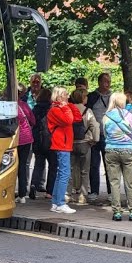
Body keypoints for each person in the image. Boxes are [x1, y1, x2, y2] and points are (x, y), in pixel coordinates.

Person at [101, 92, 132, 221]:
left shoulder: (106, 116)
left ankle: (117, 212)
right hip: (128, 150)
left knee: (114, 182)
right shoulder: (129, 115)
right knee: (130, 181)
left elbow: (105, 134)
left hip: (111, 150)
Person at [46, 86, 77, 214]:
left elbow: (76, 116)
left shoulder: (59, 109)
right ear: (59, 96)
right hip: (61, 144)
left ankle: (55, 202)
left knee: (61, 174)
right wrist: (65, 107)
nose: (68, 96)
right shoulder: (56, 110)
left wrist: (68, 105)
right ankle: (60, 203)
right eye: (65, 94)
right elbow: (69, 120)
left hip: (63, 144)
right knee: (64, 174)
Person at [87, 73, 113, 200]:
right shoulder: (92, 96)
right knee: (94, 164)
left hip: (108, 135)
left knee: (109, 164)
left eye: (109, 81)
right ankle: (94, 191)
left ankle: (111, 191)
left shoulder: (113, 97)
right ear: (99, 82)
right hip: (94, 135)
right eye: (105, 81)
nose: (107, 84)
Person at [70, 90, 97, 205]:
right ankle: (82, 195)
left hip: (70, 143)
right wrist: (94, 140)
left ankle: (67, 194)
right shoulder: (88, 111)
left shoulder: (69, 109)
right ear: (83, 98)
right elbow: (94, 126)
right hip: (84, 143)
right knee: (85, 170)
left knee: (70, 169)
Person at [16, 93, 37, 204]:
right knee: (23, 165)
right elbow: (33, 120)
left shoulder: (6, 105)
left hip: (13, 139)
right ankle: (22, 194)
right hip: (26, 138)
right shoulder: (24, 105)